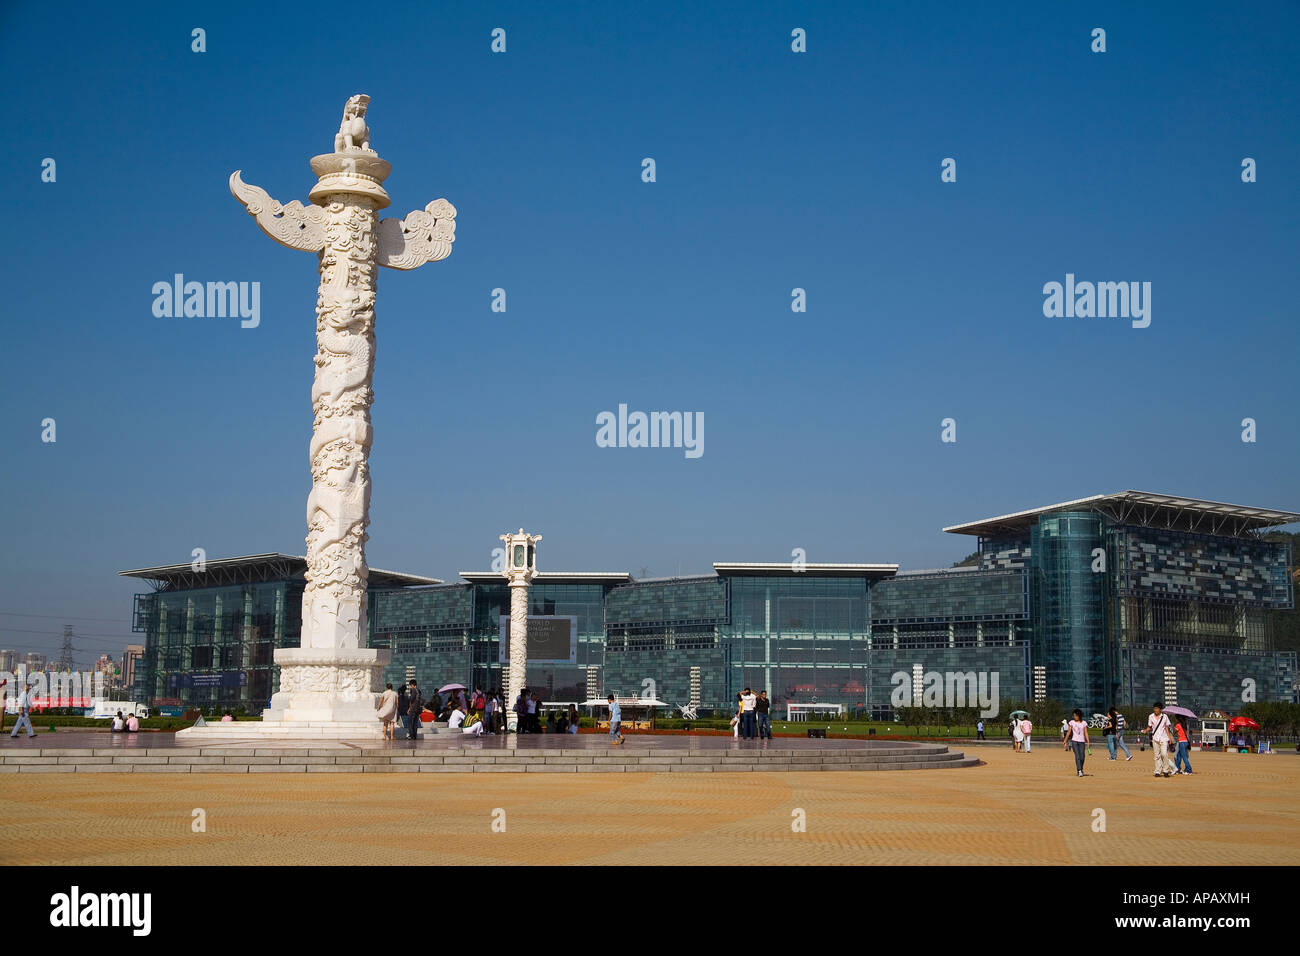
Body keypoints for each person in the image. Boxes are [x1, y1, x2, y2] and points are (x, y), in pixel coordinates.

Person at [1144, 702, 1176, 777]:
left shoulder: (1165, 717)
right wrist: (1146, 730)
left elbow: (1167, 728)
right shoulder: (1151, 716)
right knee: (1156, 755)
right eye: (1154, 708)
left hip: (1164, 738)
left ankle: (1166, 770)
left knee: (1164, 754)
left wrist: (1170, 738)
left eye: (1157, 708)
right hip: (1155, 738)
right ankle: (1157, 771)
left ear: (1160, 709)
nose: (1155, 710)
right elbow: (1149, 726)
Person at [1064, 708, 1089, 776]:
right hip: (1074, 741)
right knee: (1077, 756)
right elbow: (1069, 732)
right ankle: (1079, 770)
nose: (1074, 717)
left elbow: (1086, 732)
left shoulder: (1084, 723)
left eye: (1075, 716)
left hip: (1082, 742)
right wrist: (1065, 740)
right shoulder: (1072, 722)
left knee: (1082, 757)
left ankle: (1081, 768)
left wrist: (1088, 741)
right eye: (1074, 716)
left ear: (1079, 716)